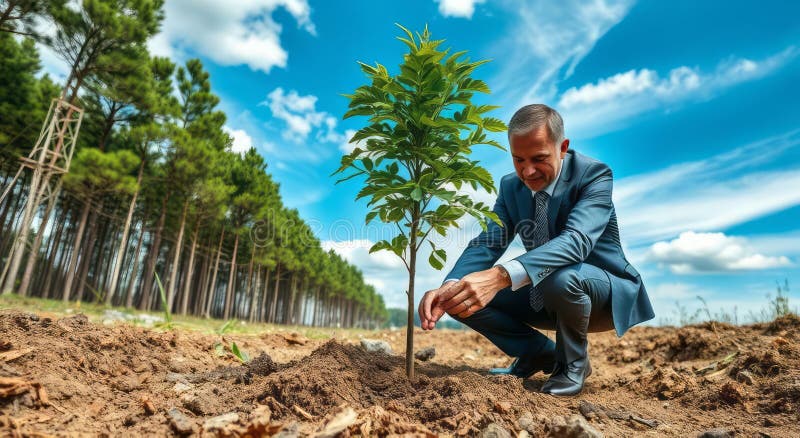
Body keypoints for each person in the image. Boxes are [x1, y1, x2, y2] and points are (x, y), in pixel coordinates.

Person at [418, 104, 654, 396]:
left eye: (539, 159)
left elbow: (576, 241)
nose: (527, 171)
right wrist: (451, 284)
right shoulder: (510, 187)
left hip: (603, 293)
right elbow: (489, 241)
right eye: (518, 160)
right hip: (546, 291)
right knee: (461, 295)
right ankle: (539, 353)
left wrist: (500, 276)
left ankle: (573, 365)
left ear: (562, 148)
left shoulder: (593, 175)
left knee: (560, 276)